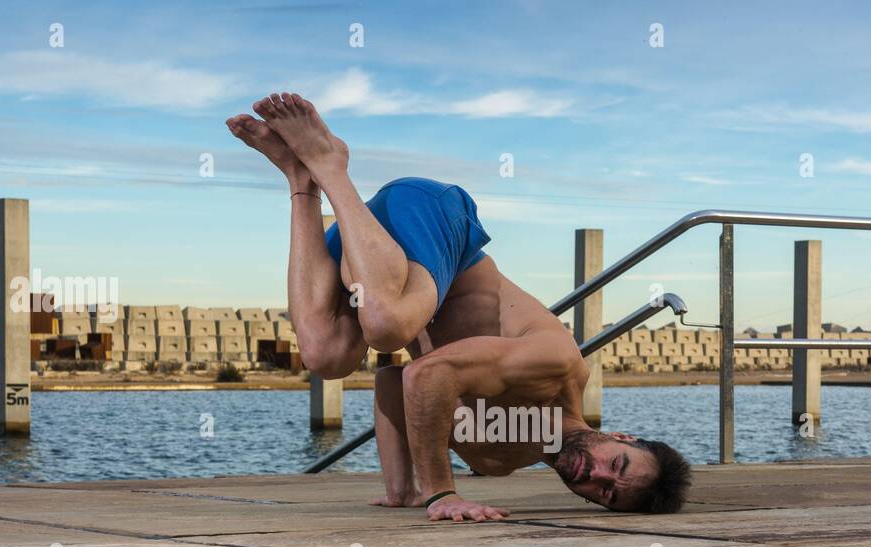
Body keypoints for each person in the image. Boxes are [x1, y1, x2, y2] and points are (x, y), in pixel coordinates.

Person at [226, 93, 690, 522]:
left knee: (327, 357)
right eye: (618, 465)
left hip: (374, 256)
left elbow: (393, 385)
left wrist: (402, 489)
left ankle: (301, 180)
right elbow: (426, 374)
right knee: (387, 328)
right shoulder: (554, 366)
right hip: (434, 216)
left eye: (605, 493)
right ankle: (332, 167)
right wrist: (441, 493)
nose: (598, 475)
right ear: (623, 437)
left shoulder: (499, 458)